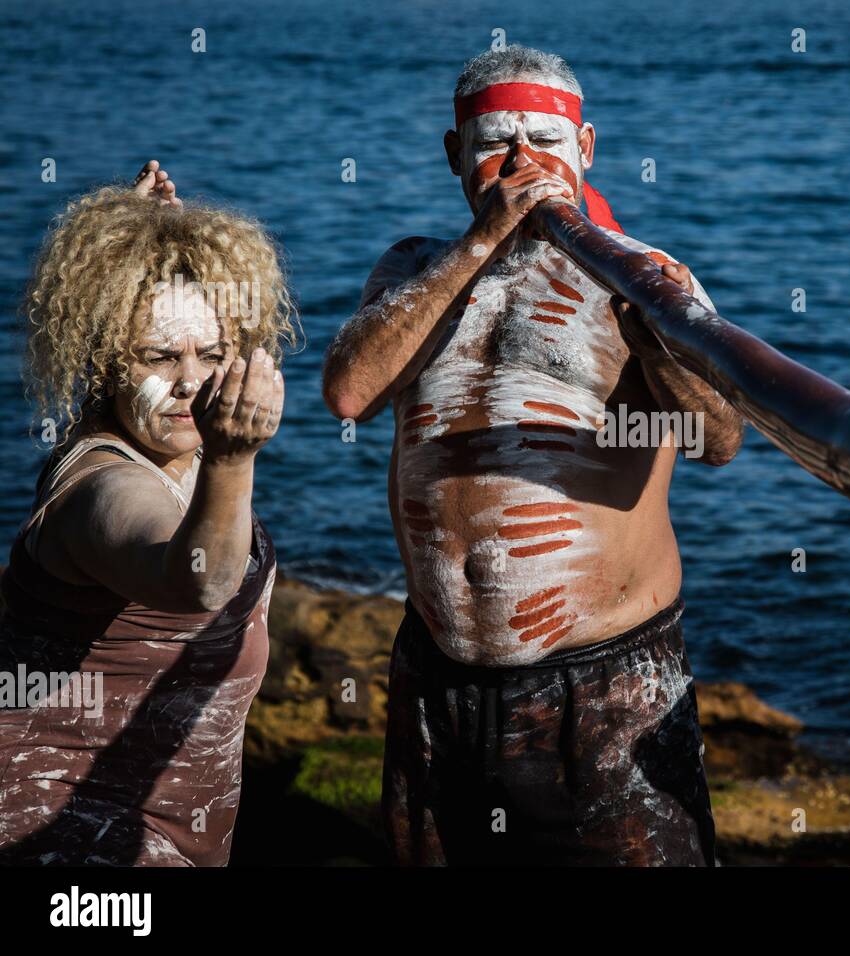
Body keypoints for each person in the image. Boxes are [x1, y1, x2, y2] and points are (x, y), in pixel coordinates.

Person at [322, 46, 744, 865]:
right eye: (493, 145)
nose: (522, 164)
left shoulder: (646, 274)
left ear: (586, 149)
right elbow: (348, 392)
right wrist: (482, 239)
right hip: (438, 673)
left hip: (604, 682)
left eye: (546, 141)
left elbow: (718, 440)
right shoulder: (413, 268)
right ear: (455, 156)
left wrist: (651, 336)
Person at [0, 161, 294, 866]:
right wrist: (234, 460)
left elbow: (152, 320)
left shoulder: (164, 445)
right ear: (106, 362)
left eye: (212, 354)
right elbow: (197, 581)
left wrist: (155, 243)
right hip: (67, 842)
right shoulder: (101, 491)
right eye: (160, 356)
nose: (191, 381)